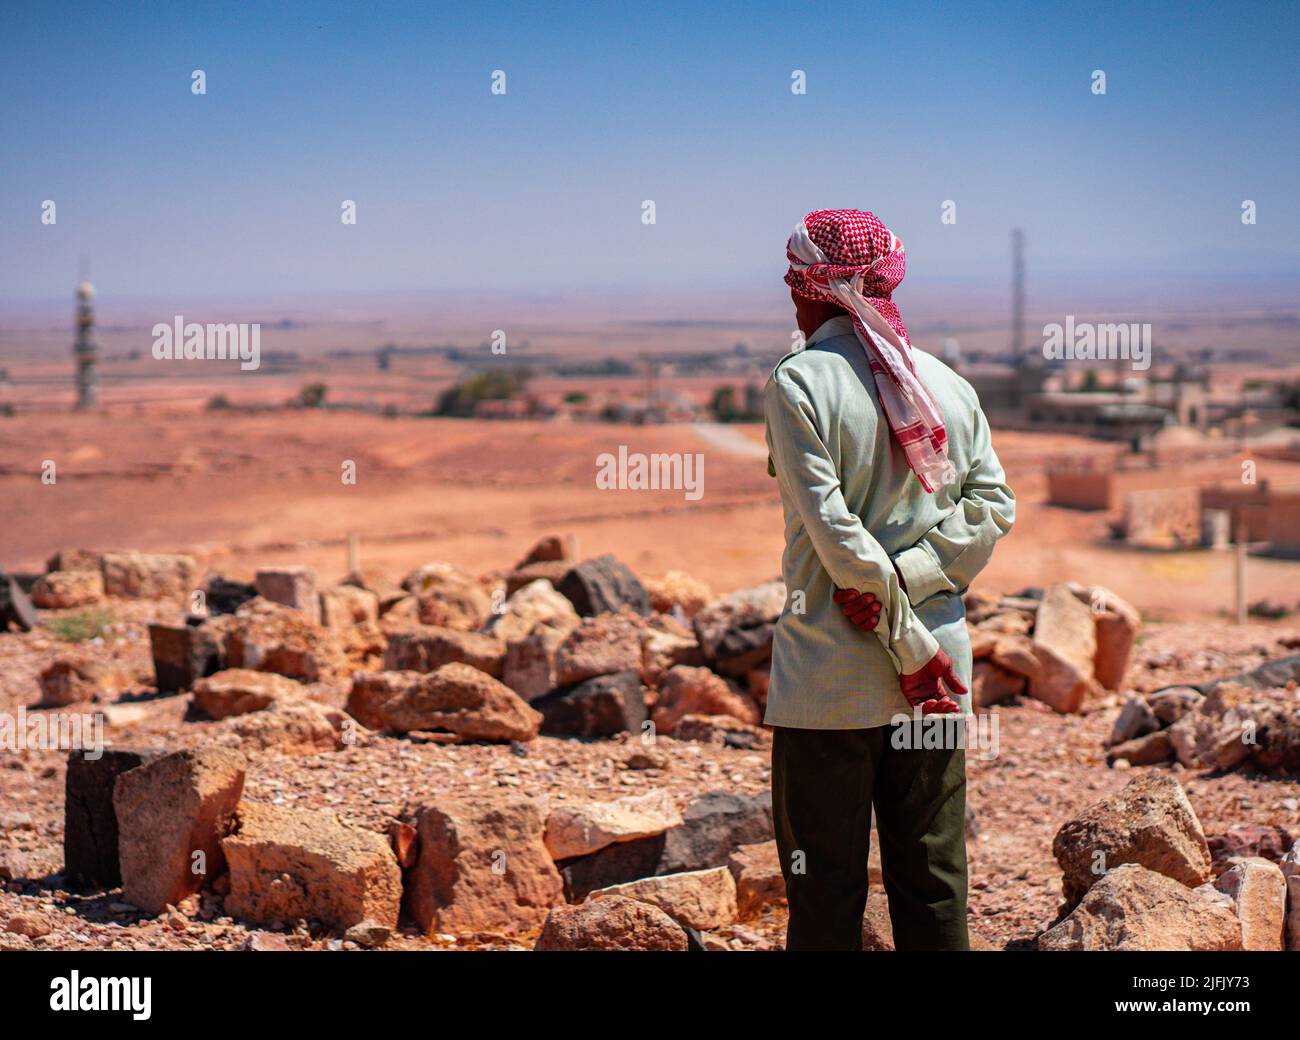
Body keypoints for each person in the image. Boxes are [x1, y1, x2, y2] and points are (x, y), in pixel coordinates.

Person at [763, 208, 1015, 951]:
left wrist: (900, 628)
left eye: (793, 285)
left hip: (830, 685)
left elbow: (838, 538)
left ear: (817, 292)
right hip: (939, 680)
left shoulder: (800, 383)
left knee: (824, 895)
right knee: (934, 884)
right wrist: (919, 585)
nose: (792, 302)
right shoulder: (948, 385)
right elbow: (993, 504)